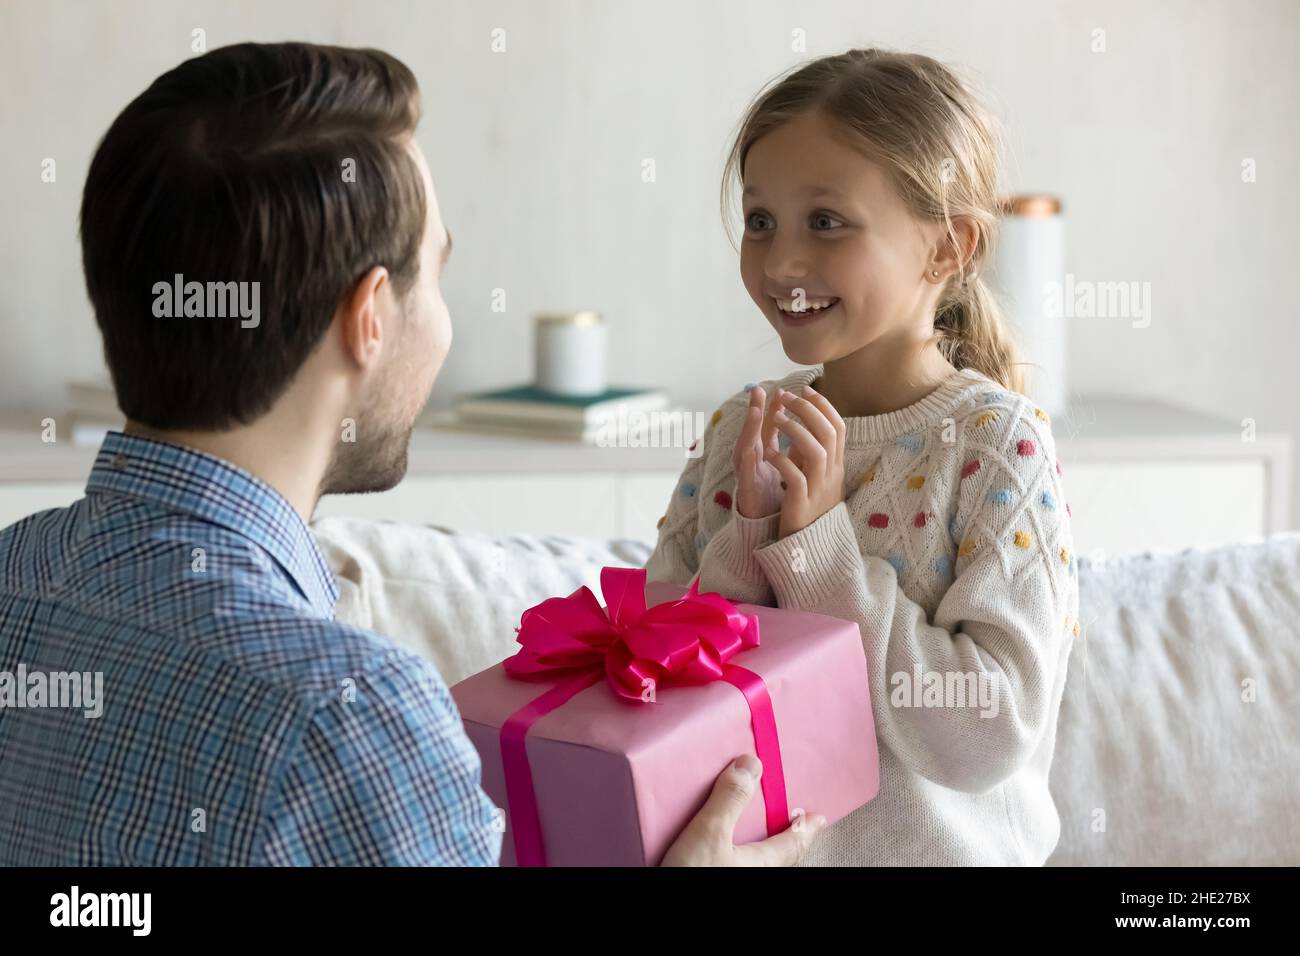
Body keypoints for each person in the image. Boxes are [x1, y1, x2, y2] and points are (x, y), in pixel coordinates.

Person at [0, 42, 824, 866]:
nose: (441, 321)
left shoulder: (12, 579)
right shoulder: (351, 719)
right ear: (369, 318)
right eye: (435, 274)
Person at [647, 49, 1081, 865]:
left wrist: (821, 558)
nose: (780, 264)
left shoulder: (998, 449)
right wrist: (748, 533)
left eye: (826, 222)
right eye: (759, 220)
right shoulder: (742, 426)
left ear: (948, 247)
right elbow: (664, 692)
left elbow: (985, 738)